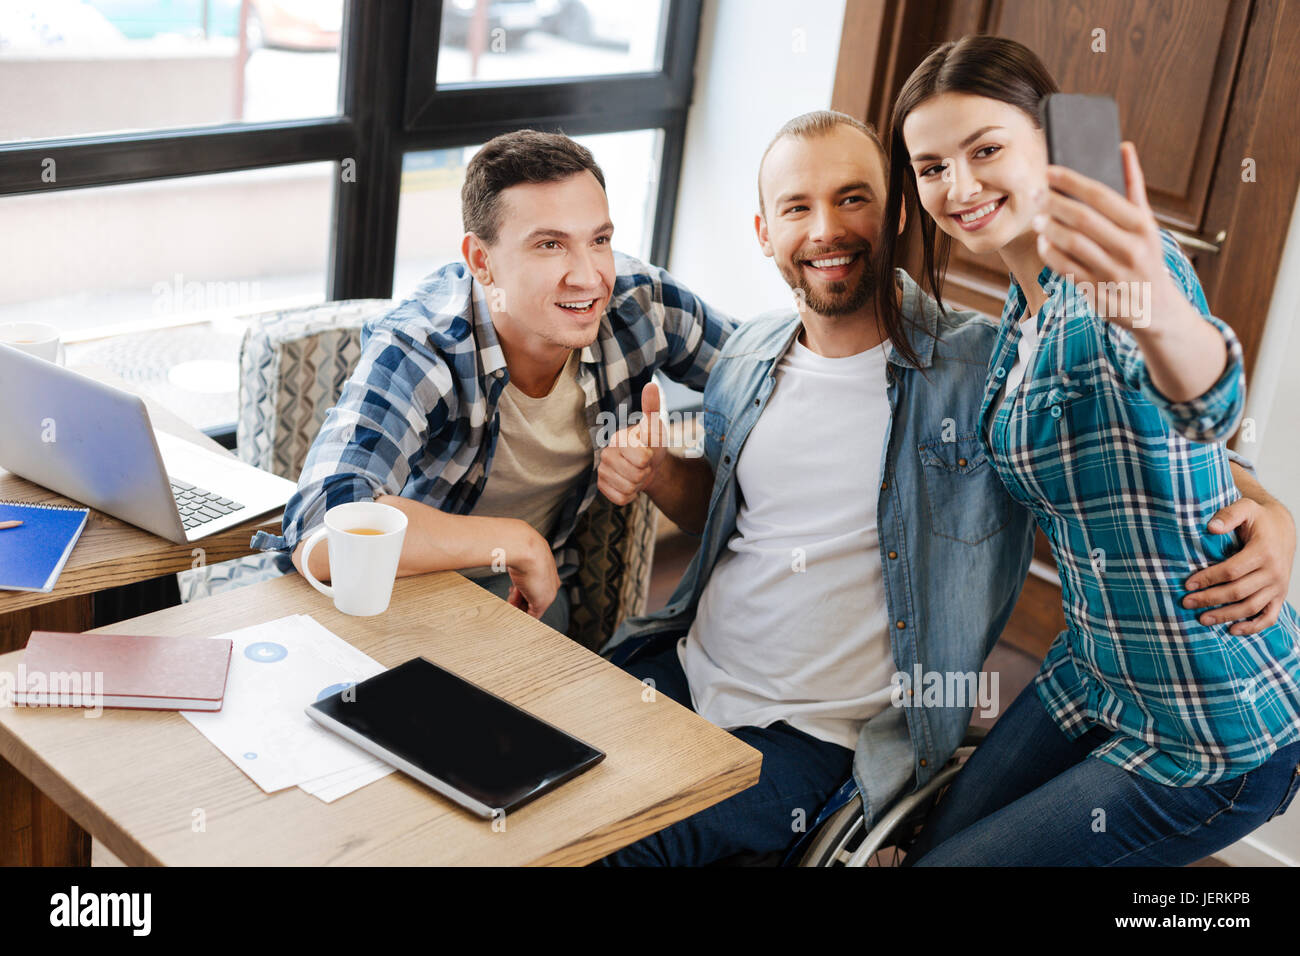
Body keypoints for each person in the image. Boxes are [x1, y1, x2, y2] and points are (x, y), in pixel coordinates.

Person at [590, 110, 1296, 866]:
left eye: (853, 198)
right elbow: (728, 521)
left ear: (896, 212)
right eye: (797, 208)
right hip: (684, 668)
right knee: (540, 783)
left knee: (618, 843)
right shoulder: (746, 357)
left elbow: (1167, 449)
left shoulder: (984, 374)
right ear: (766, 232)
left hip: (814, 737)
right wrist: (662, 473)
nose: (826, 228)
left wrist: (1274, 514)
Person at [874, 34, 1300, 866]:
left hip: (1212, 724)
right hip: (1094, 672)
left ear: (1055, 145)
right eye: (930, 167)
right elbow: (1177, 455)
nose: (958, 187)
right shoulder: (1020, 306)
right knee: (928, 841)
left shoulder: (1121, 284)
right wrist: (1276, 510)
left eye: (986, 149)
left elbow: (1202, 397)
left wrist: (1153, 305)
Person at [250, 130, 736, 636]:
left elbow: (775, 378)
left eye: (599, 240)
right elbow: (323, 529)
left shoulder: (641, 306)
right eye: (550, 245)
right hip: (401, 591)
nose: (588, 276)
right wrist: (517, 541)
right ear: (481, 261)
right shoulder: (425, 344)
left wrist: (663, 467)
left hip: (527, 599)